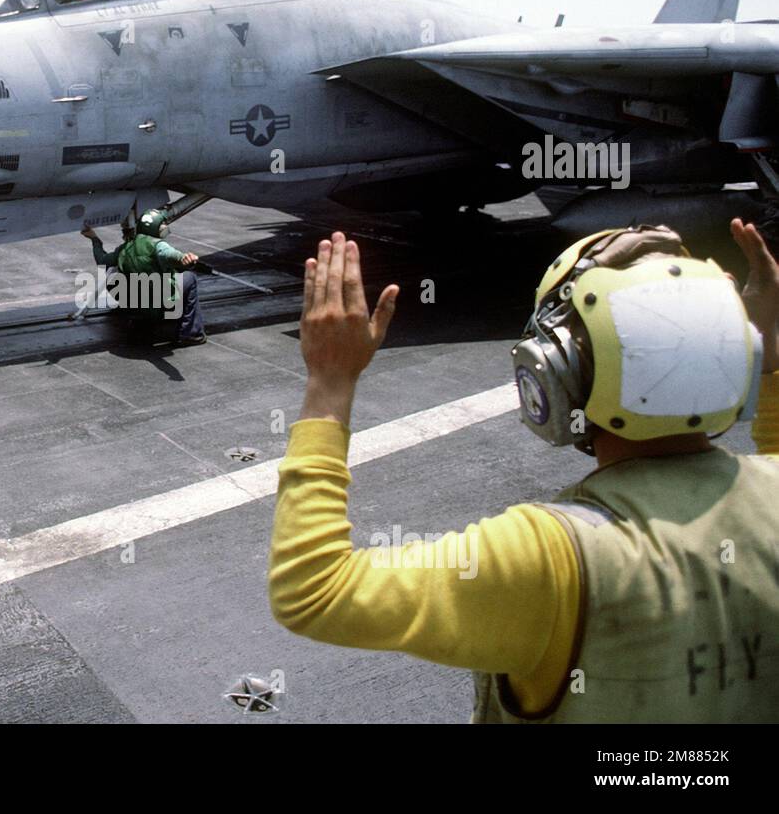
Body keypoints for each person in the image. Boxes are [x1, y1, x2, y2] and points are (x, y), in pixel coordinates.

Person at [268, 221, 779, 722]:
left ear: (556, 368)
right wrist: (769, 361)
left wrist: (330, 381)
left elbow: (316, 592)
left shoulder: (545, 558)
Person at [82, 208, 206, 345]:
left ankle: (137, 316)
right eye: (162, 225)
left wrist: (95, 239)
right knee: (190, 277)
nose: (165, 227)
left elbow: (102, 261)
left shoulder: (125, 248)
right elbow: (171, 255)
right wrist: (184, 259)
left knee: (112, 276)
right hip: (160, 307)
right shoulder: (158, 246)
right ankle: (191, 334)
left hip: (137, 306)